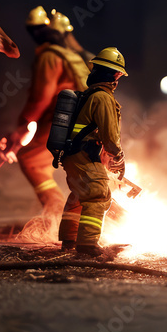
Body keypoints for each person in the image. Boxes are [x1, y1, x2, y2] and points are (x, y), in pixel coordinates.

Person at [0, 6, 91, 241]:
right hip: (87, 120)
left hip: (66, 119)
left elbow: (41, 98)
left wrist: (22, 126)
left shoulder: (49, 56)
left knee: (32, 160)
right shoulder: (71, 55)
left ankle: (57, 217)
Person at [57, 47, 128, 257]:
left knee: (80, 194)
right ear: (115, 75)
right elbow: (110, 136)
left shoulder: (88, 95)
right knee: (99, 195)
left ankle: (69, 240)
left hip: (73, 154)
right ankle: (87, 245)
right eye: (118, 76)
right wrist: (118, 156)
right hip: (84, 155)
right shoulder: (103, 98)